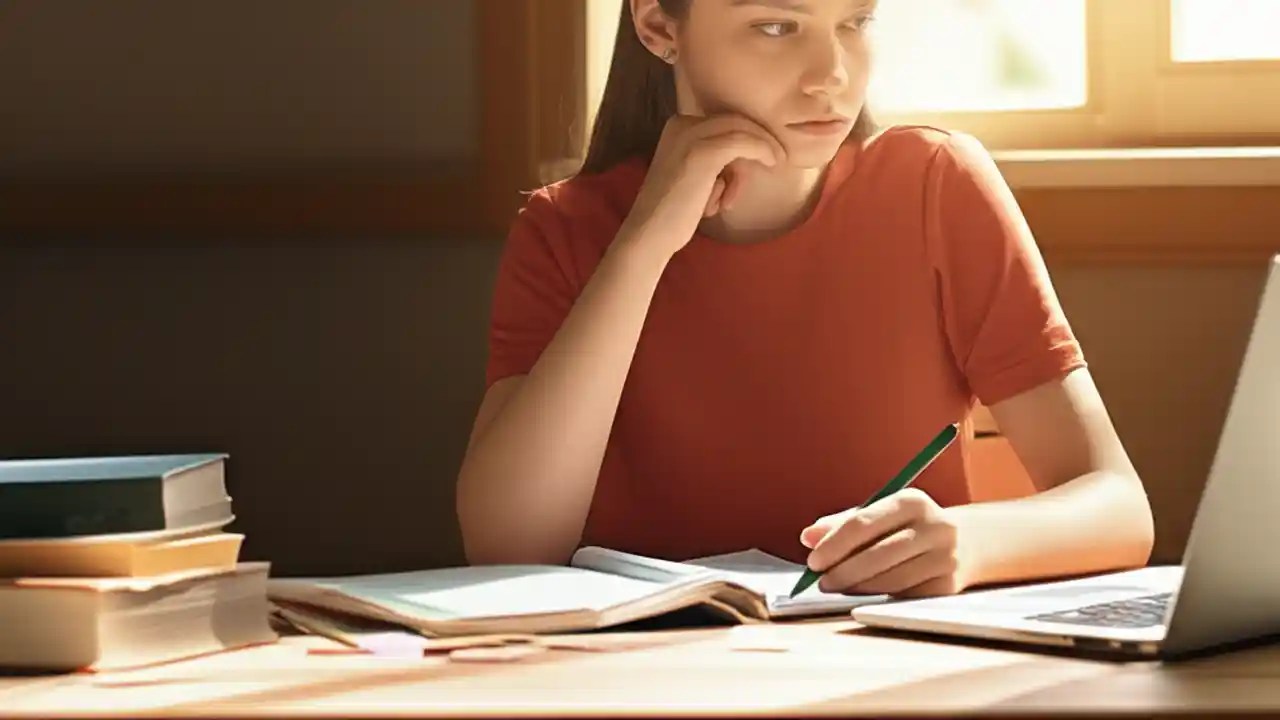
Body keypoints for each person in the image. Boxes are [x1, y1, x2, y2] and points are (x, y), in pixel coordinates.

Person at [456, 0, 1154, 598]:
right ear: (658, 24)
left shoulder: (934, 187)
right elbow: (510, 544)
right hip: (643, 680)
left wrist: (969, 542)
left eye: (854, 20)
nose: (832, 76)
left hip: (885, 670)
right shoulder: (566, 231)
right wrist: (644, 244)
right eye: (776, 26)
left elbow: (1119, 506)